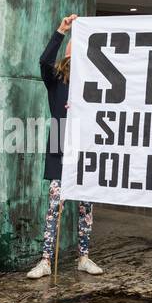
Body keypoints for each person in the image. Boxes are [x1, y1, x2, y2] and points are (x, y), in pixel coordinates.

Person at [27, 14, 102, 279]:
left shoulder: (95, 83)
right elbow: (44, 60)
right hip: (61, 150)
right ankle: (45, 260)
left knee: (86, 208)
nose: (74, 45)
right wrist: (61, 30)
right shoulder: (56, 80)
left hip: (85, 151)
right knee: (54, 206)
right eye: (71, 43)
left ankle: (83, 256)